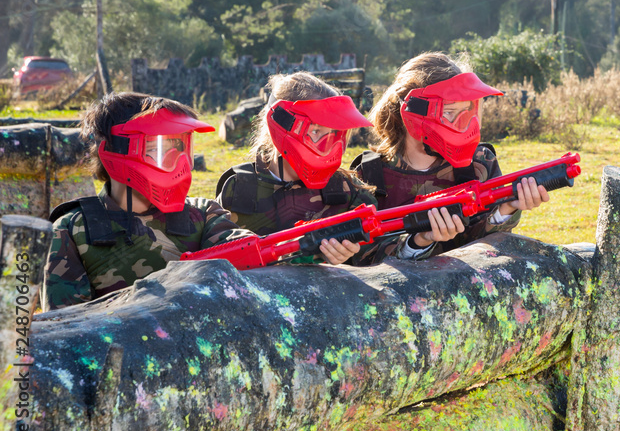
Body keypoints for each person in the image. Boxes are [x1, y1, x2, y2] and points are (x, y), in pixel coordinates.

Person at [43, 93, 254, 311]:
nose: (179, 163)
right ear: (115, 152)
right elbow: (65, 327)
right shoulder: (72, 229)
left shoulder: (203, 214)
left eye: (182, 148)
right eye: (158, 150)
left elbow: (247, 252)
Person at [352, 52, 549, 260]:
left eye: (467, 111)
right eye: (449, 112)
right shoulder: (371, 176)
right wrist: (417, 242)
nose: (464, 123)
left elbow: (486, 250)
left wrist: (506, 209)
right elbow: (361, 260)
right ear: (412, 113)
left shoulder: (479, 163)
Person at [216, 72, 376, 265]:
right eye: (315, 131)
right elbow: (220, 262)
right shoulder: (239, 188)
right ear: (281, 126)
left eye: (334, 134)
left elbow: (380, 259)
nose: (327, 146)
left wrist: (349, 257)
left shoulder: (350, 191)